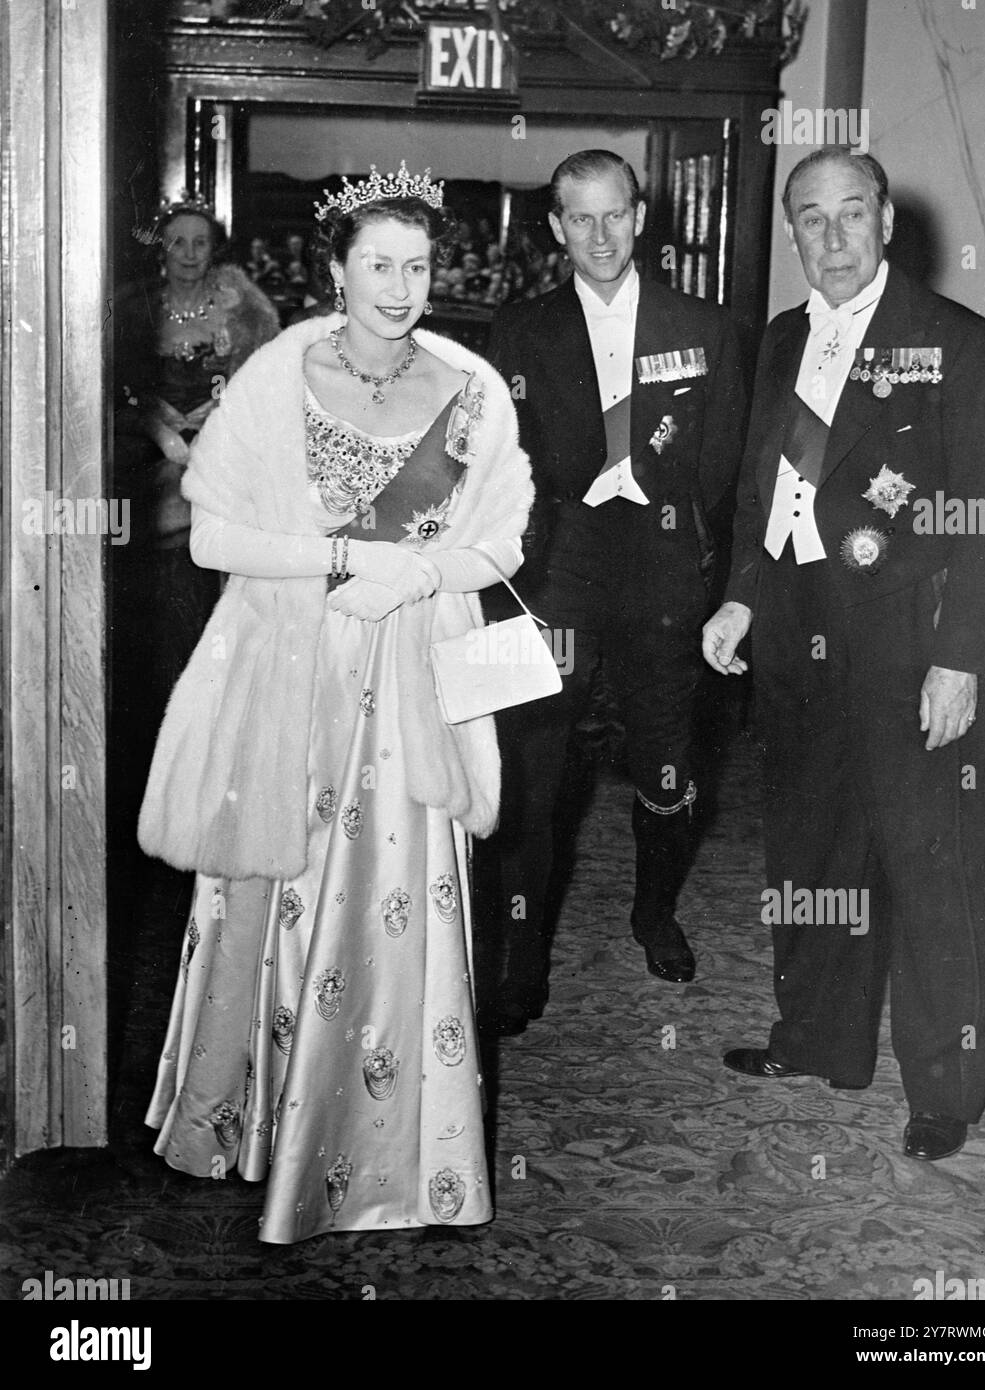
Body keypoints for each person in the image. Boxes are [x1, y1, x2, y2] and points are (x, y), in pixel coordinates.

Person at [137, 162, 533, 1241]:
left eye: (417, 265)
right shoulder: (275, 376)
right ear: (335, 270)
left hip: (410, 679)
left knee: (397, 896)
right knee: (287, 888)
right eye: (378, 265)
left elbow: (503, 537)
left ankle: (392, 1154)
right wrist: (335, 554)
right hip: (295, 672)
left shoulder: (469, 387)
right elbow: (212, 532)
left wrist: (420, 573)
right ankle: (259, 1128)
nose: (401, 287)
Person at [702, 147, 985, 1160]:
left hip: (912, 637)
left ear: (888, 221)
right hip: (799, 630)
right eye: (813, 218)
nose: (834, 238)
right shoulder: (780, 340)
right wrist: (741, 604)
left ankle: (944, 1086)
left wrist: (964, 660)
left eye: (854, 214)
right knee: (812, 850)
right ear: (794, 231)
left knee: (933, 866)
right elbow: (767, 493)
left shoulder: (956, 343)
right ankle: (818, 1037)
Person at [480, 149, 746, 1035]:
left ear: (642, 216)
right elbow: (495, 460)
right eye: (578, 219)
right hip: (556, 568)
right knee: (535, 768)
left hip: (661, 568)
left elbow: (720, 467)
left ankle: (653, 912)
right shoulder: (517, 330)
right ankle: (522, 957)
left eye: (614, 215)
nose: (599, 236)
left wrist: (678, 537)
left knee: (669, 764)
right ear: (555, 227)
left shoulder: (704, 326)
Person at [113, 196, 280, 724]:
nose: (188, 253)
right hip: (147, 449)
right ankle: (158, 697)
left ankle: (214, 702)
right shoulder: (134, 304)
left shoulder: (242, 306)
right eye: (178, 242)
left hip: (221, 450)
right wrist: (157, 425)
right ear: (161, 248)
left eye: (200, 242)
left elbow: (267, 382)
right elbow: (110, 389)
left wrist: (221, 410)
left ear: (215, 249)